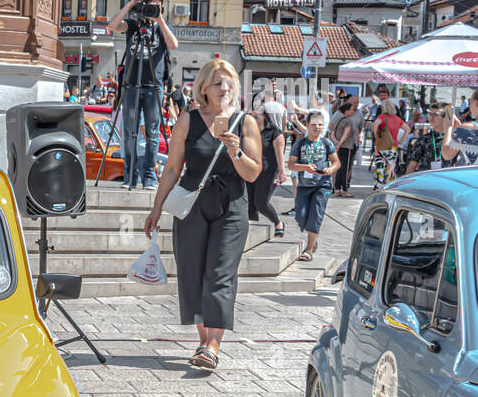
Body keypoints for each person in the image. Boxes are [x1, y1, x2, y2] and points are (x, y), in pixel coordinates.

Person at [143, 58, 262, 371]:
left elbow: (253, 173)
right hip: (192, 202)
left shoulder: (245, 122)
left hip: (232, 205)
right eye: (217, 83)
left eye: (229, 82)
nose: (224, 88)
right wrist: (157, 208)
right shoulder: (189, 120)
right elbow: (172, 168)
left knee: (220, 274)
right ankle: (202, 338)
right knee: (193, 272)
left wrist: (235, 151)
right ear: (204, 88)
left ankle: (213, 344)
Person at [111, 0, 179, 189]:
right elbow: (113, 26)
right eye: (149, 6)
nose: (151, 10)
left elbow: (173, 45)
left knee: (151, 133)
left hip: (154, 87)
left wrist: (160, 20)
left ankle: (149, 176)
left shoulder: (162, 29)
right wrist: (130, 4)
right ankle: (129, 176)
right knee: (130, 133)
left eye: (156, 6)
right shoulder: (132, 26)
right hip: (132, 86)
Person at [287, 110, 339, 263]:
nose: (317, 128)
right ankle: (313, 238)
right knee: (301, 216)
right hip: (304, 186)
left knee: (315, 216)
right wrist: (304, 168)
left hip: (322, 186)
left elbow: (337, 162)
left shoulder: (326, 143)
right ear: (307, 125)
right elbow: (291, 165)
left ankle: (309, 250)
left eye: (320, 125)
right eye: (314, 125)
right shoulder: (300, 144)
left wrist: (331, 169)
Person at [248, 99, 287, 238]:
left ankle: (278, 223)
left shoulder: (275, 133)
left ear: (265, 116)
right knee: (249, 201)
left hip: (269, 172)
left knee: (261, 202)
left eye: (257, 116)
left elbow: (279, 153)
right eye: (252, 115)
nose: (253, 118)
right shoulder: (250, 131)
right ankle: (249, 229)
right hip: (252, 170)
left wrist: (282, 172)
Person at [405, 104, 465, 174]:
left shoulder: (454, 140)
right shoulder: (423, 140)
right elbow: (411, 166)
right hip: (427, 181)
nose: (431, 117)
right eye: (430, 114)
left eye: (435, 115)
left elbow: (459, 165)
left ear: (444, 118)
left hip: (446, 180)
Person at [329, 96, 364, 197]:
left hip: (339, 147)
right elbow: (346, 133)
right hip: (347, 146)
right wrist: (339, 144)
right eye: (352, 109)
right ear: (347, 110)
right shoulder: (348, 120)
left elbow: (332, 132)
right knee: (345, 168)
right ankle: (344, 190)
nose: (353, 111)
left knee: (339, 167)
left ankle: (337, 189)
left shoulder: (340, 118)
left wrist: (337, 143)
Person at [371, 97, 407, 187]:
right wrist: (401, 140)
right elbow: (408, 129)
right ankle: (389, 187)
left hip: (380, 146)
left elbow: (375, 125)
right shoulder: (397, 119)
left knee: (380, 167)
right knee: (391, 167)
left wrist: (376, 136)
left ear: (384, 108)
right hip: (392, 147)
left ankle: (378, 187)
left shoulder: (381, 117)